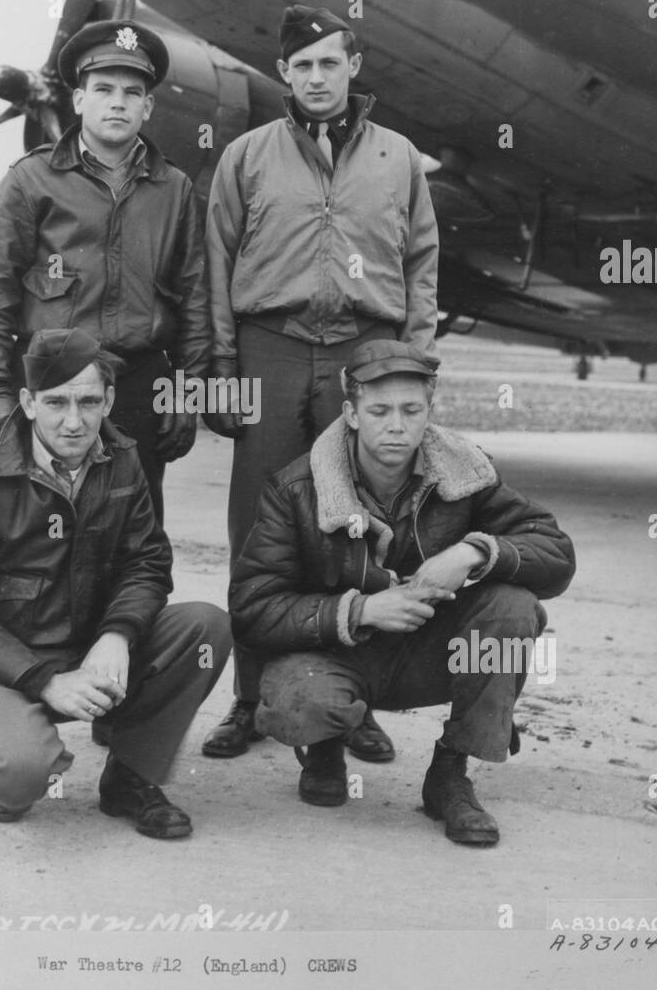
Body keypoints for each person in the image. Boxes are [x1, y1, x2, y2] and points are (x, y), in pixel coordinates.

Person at [202, 3, 441, 759]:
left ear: (353, 67)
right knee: (257, 533)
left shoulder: (400, 158)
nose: (314, 77)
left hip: (365, 355)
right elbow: (215, 263)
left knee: (363, 528)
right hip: (270, 348)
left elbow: (421, 266)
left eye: (328, 63)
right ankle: (249, 699)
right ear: (282, 73)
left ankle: (350, 701)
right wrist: (219, 367)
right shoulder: (245, 157)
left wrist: (413, 366)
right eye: (301, 66)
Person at [228, 341, 576, 846]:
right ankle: (325, 745)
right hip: (335, 657)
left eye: (412, 410)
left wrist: (473, 553)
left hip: (429, 653)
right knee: (297, 700)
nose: (397, 425)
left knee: (514, 608)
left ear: (429, 413)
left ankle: (450, 774)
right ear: (350, 414)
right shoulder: (296, 488)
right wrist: (360, 609)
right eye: (379, 410)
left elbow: (556, 553)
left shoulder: (466, 473)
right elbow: (252, 608)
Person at [0, 328, 231, 839]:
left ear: (109, 399)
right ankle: (7, 758)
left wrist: (118, 634)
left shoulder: (124, 461)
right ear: (26, 403)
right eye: (56, 402)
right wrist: (42, 679)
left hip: (91, 653)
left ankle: (132, 777)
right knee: (17, 784)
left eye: (89, 401)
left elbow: (147, 563)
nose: (74, 421)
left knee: (204, 627)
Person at [0, 19, 210, 522]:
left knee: (134, 529)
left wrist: (188, 392)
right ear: (77, 100)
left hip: (140, 384)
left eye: (132, 92)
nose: (117, 102)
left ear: (149, 106)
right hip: (50, 377)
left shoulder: (176, 190)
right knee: (33, 524)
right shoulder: (30, 180)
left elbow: (197, 299)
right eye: (103, 89)